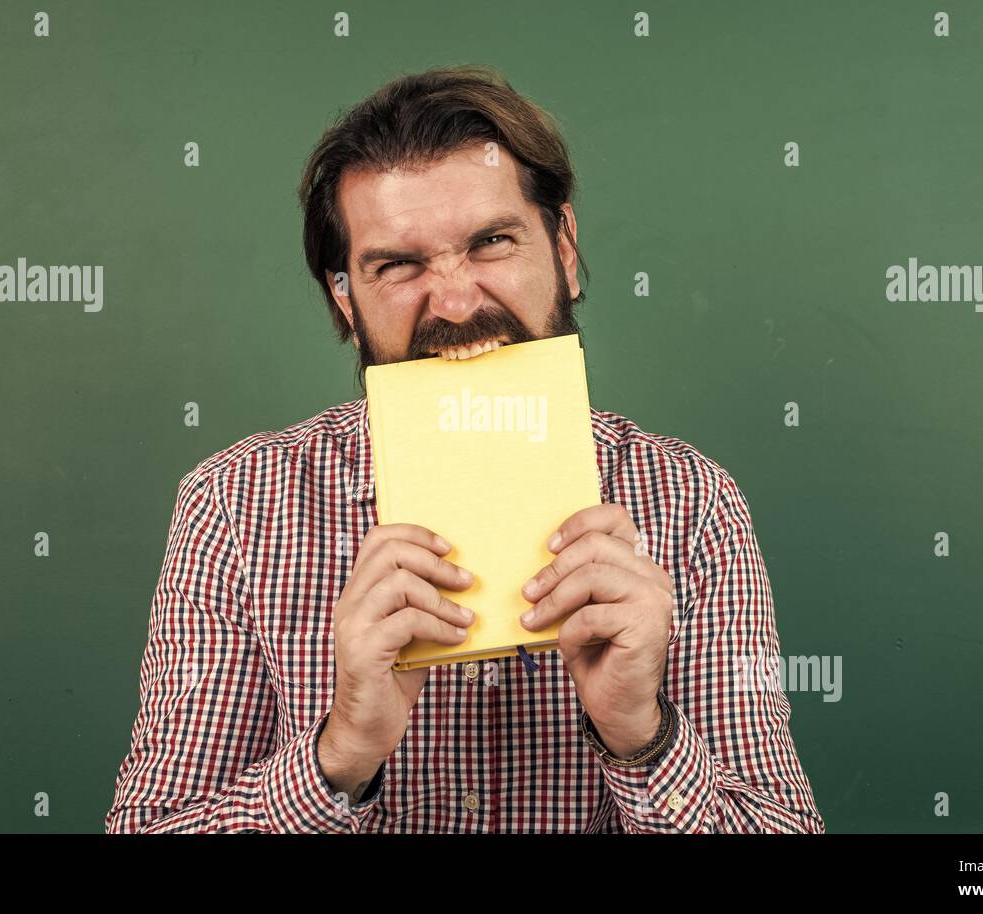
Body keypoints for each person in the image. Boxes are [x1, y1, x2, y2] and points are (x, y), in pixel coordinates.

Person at [105, 65, 824, 833]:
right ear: (343, 298)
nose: (454, 301)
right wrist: (340, 750)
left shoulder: (688, 502)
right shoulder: (235, 505)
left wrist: (641, 734)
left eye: (490, 242)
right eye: (397, 265)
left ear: (565, 249)